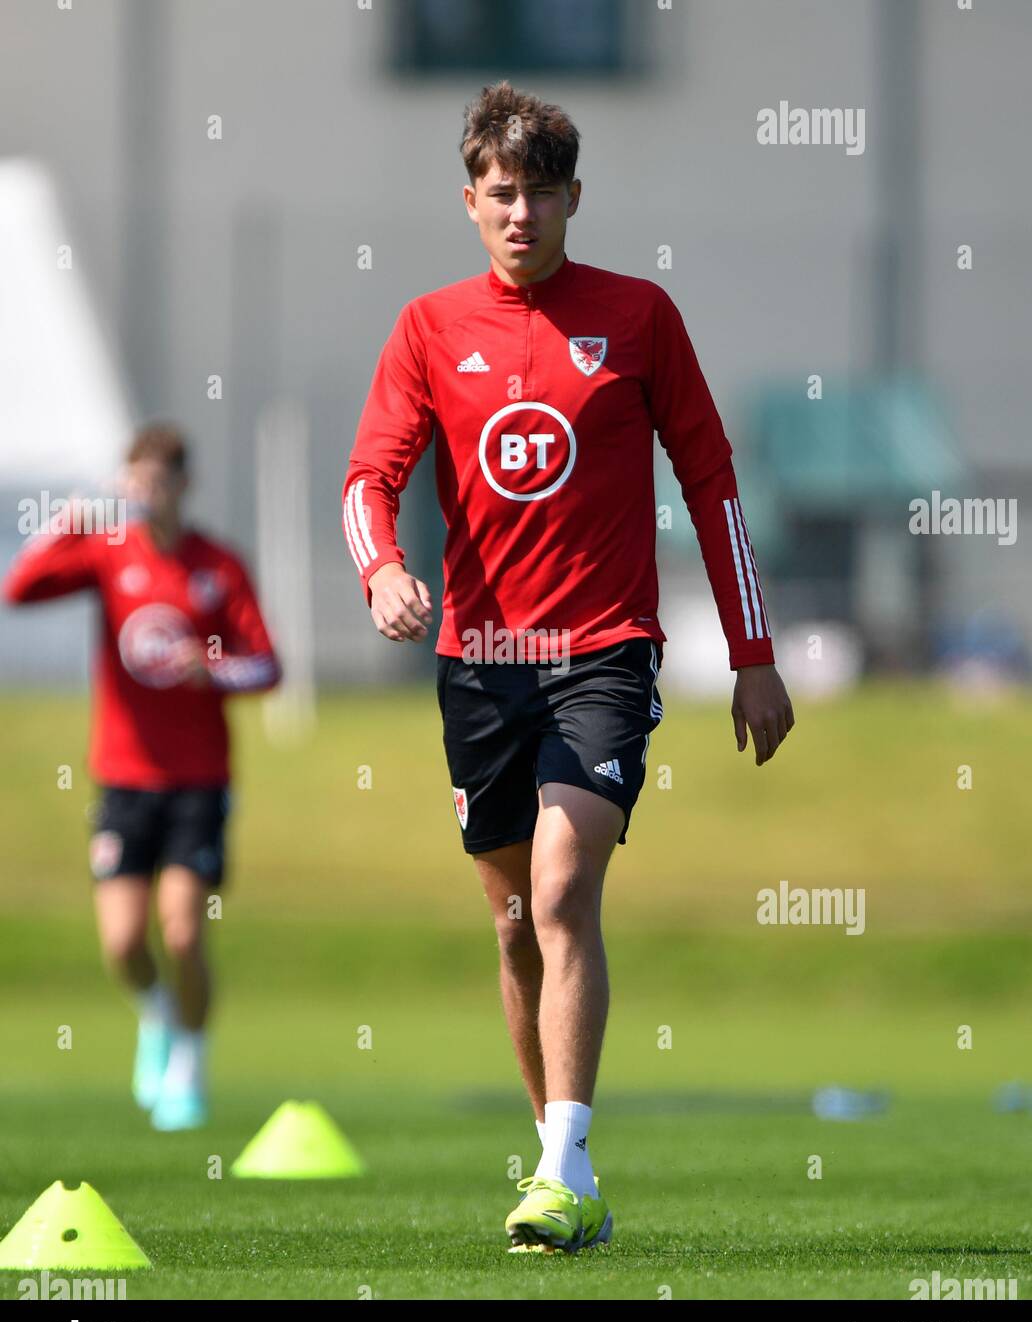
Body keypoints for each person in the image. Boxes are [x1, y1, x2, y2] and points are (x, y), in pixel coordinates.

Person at [343, 81, 794, 1251]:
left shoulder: (639, 315)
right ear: (471, 200)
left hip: (601, 652)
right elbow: (367, 479)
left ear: (575, 197)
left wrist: (753, 654)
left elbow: (713, 479)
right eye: (501, 193)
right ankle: (563, 1176)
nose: (521, 214)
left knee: (558, 888)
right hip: (479, 663)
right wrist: (384, 572)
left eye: (542, 192)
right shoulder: (428, 328)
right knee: (508, 925)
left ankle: (564, 1157)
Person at [3, 424, 281, 1131]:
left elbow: (266, 665)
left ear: (182, 486)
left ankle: (189, 1057)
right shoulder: (106, 552)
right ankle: (159, 1015)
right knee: (124, 943)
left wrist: (209, 669)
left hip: (198, 781)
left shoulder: (216, 564)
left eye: (155, 483)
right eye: (133, 483)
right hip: (124, 780)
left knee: (184, 932)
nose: (143, 497)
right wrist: (75, 516)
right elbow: (19, 589)